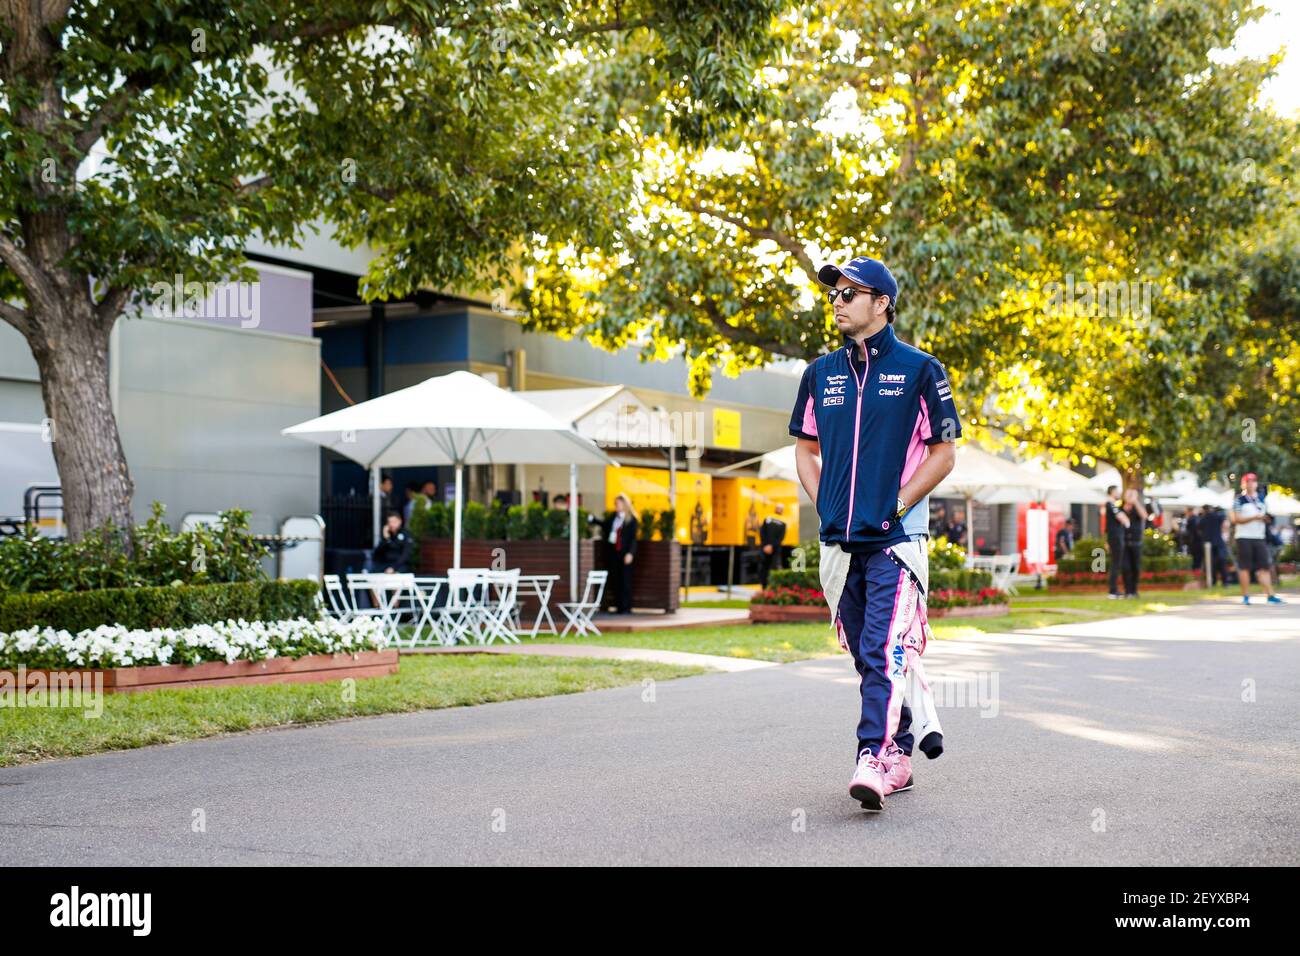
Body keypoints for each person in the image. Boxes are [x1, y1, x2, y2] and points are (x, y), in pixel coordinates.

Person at [789, 254, 960, 812]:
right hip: (839, 542)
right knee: (869, 656)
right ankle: (902, 754)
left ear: (882, 303)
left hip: (897, 540)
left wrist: (897, 505)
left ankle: (871, 755)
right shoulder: (820, 374)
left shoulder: (920, 370)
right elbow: (805, 451)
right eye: (833, 294)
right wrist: (828, 504)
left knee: (884, 648)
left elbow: (944, 453)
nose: (837, 302)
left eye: (849, 293)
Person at [1232, 472, 1284, 605]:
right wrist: (1253, 518)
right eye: (1248, 481)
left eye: (1253, 481)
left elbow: (1265, 516)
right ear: (1243, 484)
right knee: (1245, 567)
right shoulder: (1239, 499)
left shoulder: (1261, 499)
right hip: (1243, 537)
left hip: (1259, 537)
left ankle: (1270, 595)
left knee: (1264, 567)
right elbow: (1236, 519)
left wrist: (1266, 519)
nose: (1251, 484)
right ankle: (1245, 596)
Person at [604, 494, 638, 614]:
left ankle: (626, 607)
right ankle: (619, 607)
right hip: (614, 553)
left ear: (624, 504)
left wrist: (630, 553)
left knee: (625, 581)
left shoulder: (631, 520)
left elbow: (633, 539)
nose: (616, 506)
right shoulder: (614, 518)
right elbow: (605, 526)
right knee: (616, 580)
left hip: (625, 554)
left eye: (618, 503)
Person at [1120, 488, 1147, 598]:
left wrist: (1135, 502)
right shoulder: (1120, 507)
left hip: (1136, 542)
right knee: (1125, 567)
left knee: (1136, 567)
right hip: (1124, 542)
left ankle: (1134, 590)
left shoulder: (1138, 508)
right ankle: (1127, 591)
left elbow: (1144, 516)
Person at [1103, 485, 1129, 599]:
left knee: (1116, 563)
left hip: (1115, 536)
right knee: (1116, 563)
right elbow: (1122, 518)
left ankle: (1114, 590)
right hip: (1115, 537)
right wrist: (1126, 522)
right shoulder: (1111, 504)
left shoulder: (1113, 505)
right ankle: (1113, 591)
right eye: (1117, 491)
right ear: (1112, 492)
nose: (1119, 493)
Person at [758, 504, 788, 586]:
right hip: (772, 549)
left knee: (766, 568)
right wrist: (769, 546)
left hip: (767, 549)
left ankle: (767, 586)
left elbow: (762, 533)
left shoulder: (768, 519)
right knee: (770, 568)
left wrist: (766, 545)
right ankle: (767, 586)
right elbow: (780, 538)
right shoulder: (782, 523)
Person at [1201, 504, 1229, 587]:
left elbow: (1199, 527)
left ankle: (1213, 581)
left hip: (1209, 543)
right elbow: (1224, 522)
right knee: (1221, 562)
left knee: (1211, 563)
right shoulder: (1218, 516)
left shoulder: (1204, 518)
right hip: (1218, 542)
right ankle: (1225, 582)